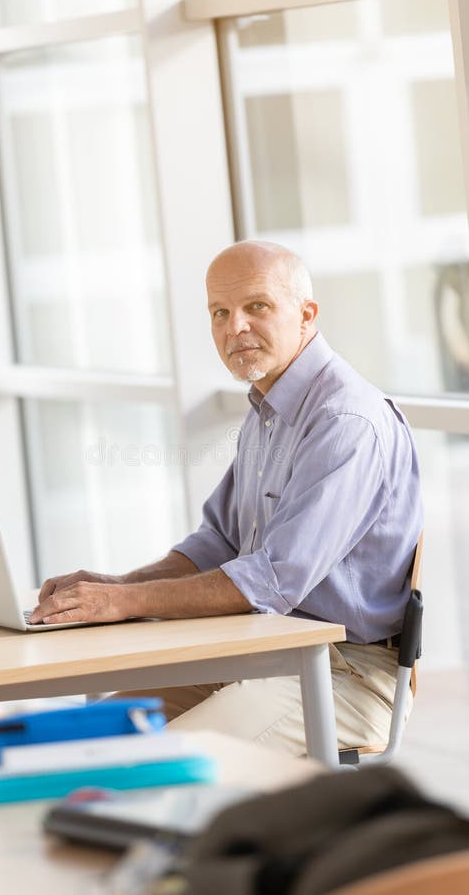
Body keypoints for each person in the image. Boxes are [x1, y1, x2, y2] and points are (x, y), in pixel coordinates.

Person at [29, 241, 423, 756]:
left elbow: (274, 579)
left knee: (156, 761)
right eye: (219, 312)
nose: (234, 326)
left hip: (347, 674)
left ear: (306, 316)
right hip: (265, 650)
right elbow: (218, 540)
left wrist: (124, 603)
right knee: (90, 736)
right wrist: (115, 585)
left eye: (256, 306)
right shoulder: (269, 407)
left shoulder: (344, 421)